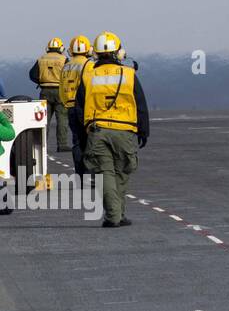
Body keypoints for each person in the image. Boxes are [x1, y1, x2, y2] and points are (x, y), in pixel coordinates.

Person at [72, 32, 150, 228]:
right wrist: (144, 131)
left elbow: (78, 109)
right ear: (117, 52)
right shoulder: (129, 74)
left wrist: (82, 136)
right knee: (121, 173)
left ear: (96, 53)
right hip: (125, 131)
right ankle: (117, 215)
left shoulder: (88, 76)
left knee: (103, 173)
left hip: (98, 132)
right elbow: (141, 104)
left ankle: (114, 215)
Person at [59, 36, 93, 175]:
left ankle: (80, 173)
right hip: (84, 107)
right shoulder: (88, 65)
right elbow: (91, 87)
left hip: (70, 106)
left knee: (77, 142)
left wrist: (67, 103)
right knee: (90, 141)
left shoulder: (66, 65)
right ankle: (89, 172)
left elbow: (61, 88)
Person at [29, 38, 69, 152]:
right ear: (61, 48)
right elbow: (68, 75)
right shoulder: (64, 59)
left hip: (45, 91)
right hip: (60, 91)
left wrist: (41, 81)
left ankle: (42, 145)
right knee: (62, 119)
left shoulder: (41, 59)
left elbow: (32, 74)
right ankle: (62, 145)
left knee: (44, 120)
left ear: (48, 48)